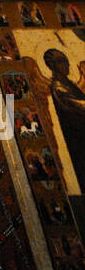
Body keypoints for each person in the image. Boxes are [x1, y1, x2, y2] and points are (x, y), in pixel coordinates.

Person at [43, 49, 85, 191]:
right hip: (78, 139)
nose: (67, 64)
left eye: (66, 60)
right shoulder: (59, 88)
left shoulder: (69, 84)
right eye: (62, 61)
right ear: (53, 66)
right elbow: (79, 106)